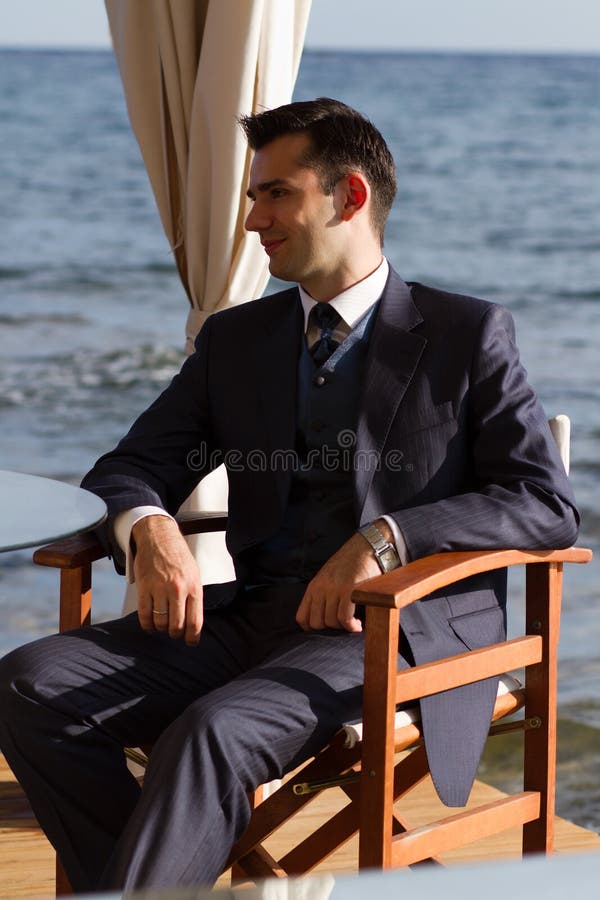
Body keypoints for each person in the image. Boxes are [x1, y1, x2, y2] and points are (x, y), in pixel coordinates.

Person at [0, 98, 578, 893]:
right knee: (29, 683)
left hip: (388, 635)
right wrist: (151, 528)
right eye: (252, 196)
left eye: (276, 194)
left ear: (350, 196)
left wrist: (387, 539)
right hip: (245, 617)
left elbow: (544, 502)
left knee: (210, 734)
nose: (252, 220)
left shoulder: (466, 334)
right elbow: (130, 465)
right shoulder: (236, 341)